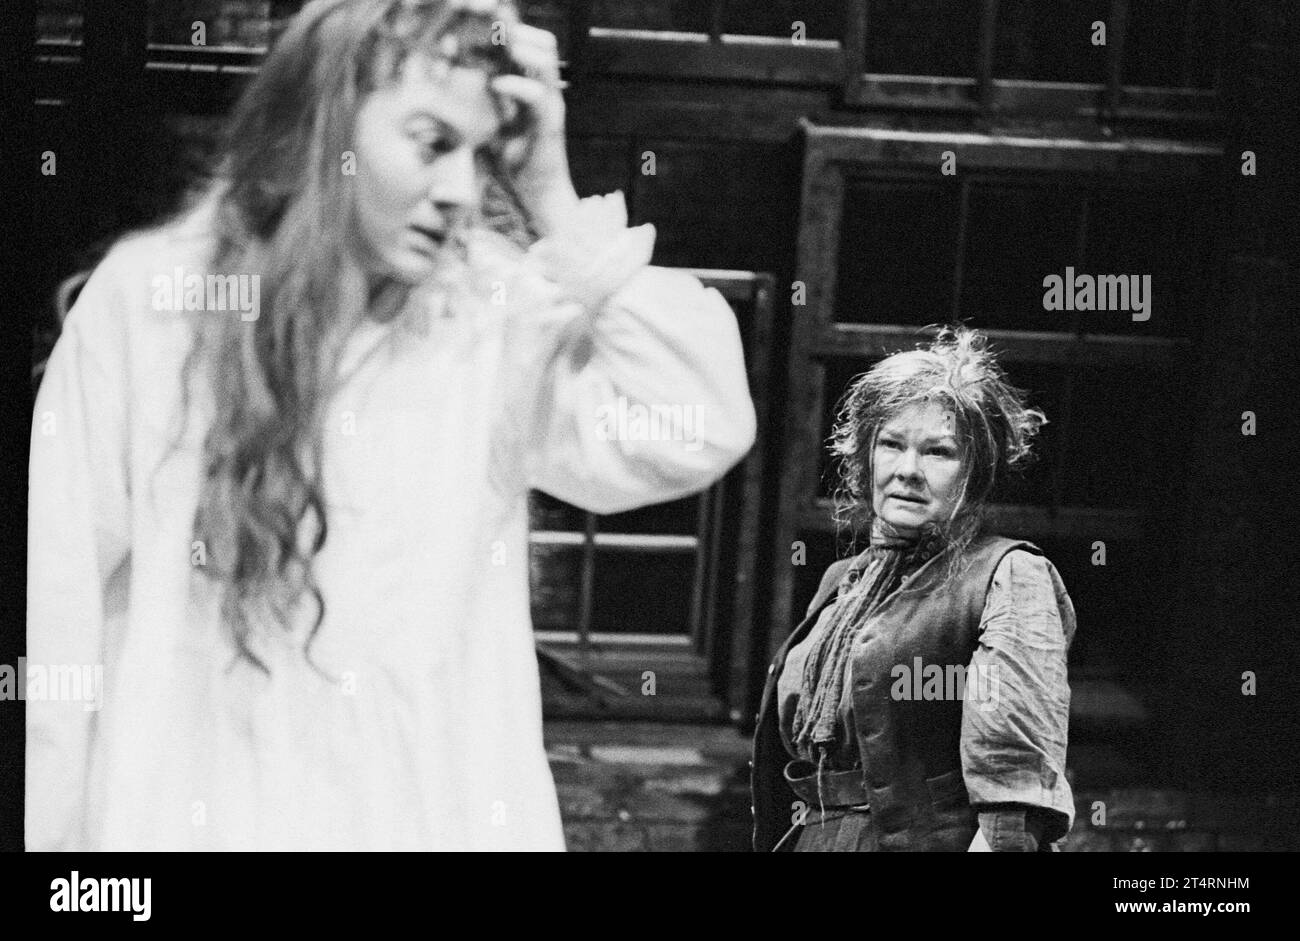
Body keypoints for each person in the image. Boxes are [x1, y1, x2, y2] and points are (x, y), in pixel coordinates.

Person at [27, 0, 756, 851]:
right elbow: (57, 598)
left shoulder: (486, 316)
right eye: (432, 141)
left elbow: (697, 425)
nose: (460, 191)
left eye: (482, 153)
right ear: (326, 122)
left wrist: (552, 196)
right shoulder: (158, 305)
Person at [751, 326, 1076, 852]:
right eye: (892, 444)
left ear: (977, 470)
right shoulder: (846, 584)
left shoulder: (1006, 574)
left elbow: (1015, 780)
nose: (907, 470)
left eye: (938, 452)